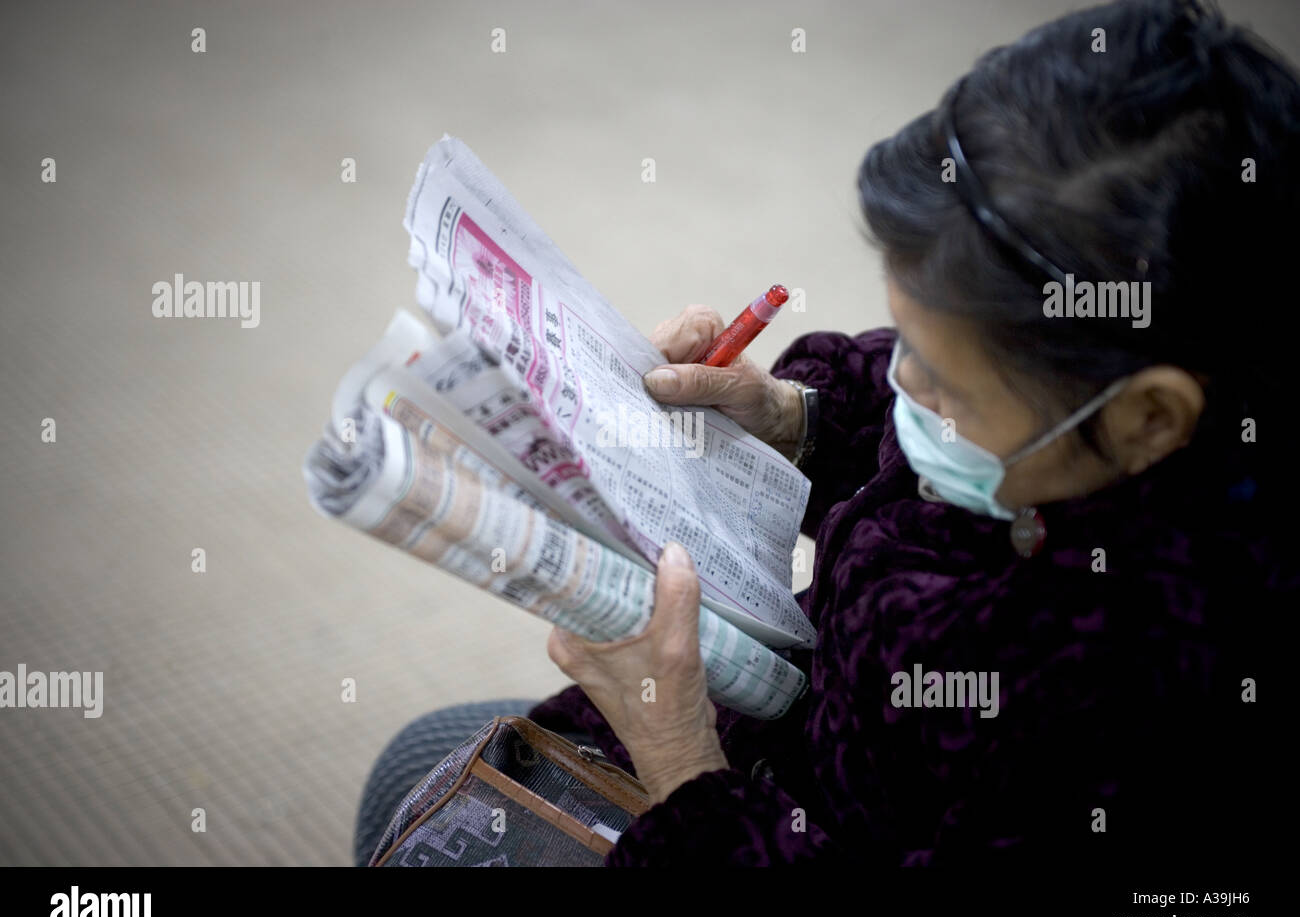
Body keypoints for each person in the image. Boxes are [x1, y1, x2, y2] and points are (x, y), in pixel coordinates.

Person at [356, 0, 1294, 865]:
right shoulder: (1064, 407)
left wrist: (680, 759)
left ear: (1148, 417)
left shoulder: (1150, 695)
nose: (903, 383)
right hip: (789, 734)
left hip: (754, 821)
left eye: (942, 376)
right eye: (906, 340)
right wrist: (791, 416)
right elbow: (920, 414)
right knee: (419, 771)